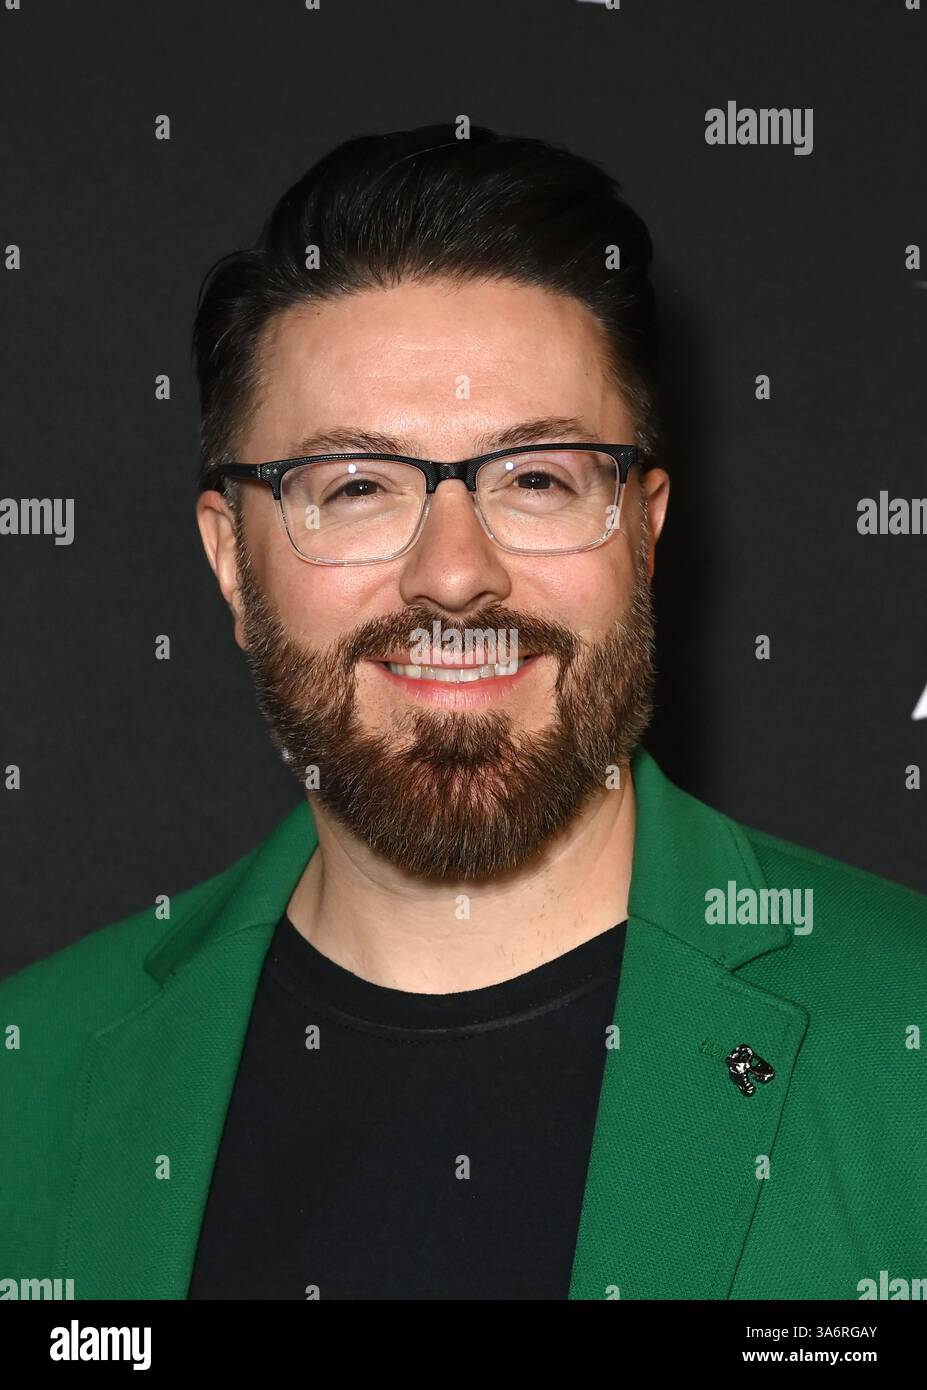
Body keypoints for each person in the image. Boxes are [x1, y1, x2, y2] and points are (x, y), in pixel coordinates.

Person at [2, 125, 925, 1302]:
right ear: (232, 561)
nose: (452, 574)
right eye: (355, 486)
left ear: (644, 531)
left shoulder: (906, 1045)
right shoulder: (29, 1084)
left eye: (536, 478)